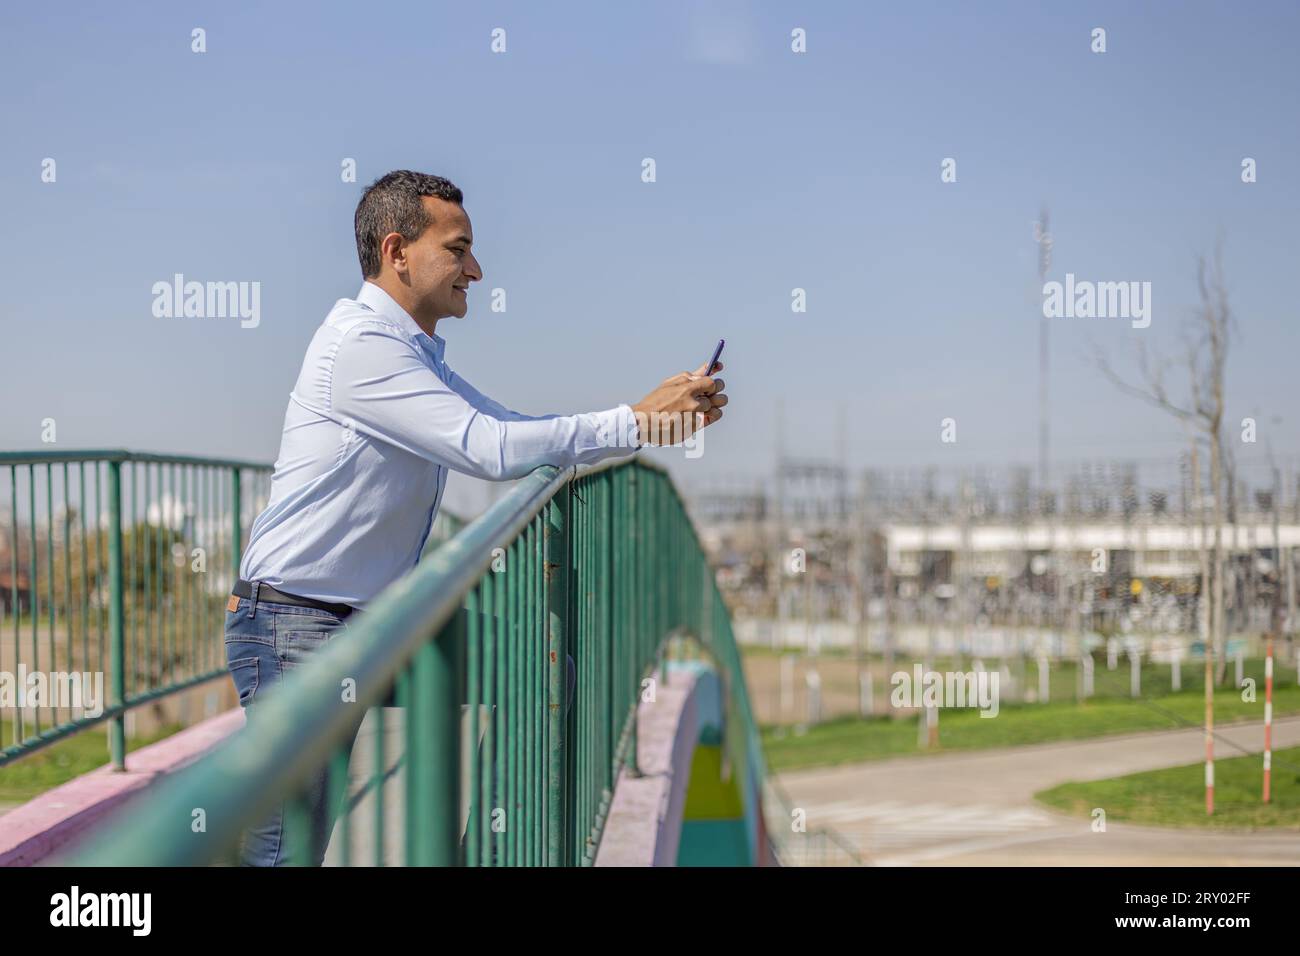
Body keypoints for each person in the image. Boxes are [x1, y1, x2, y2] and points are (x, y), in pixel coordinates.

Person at [223, 170, 728, 865]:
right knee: (286, 852)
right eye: (458, 250)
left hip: (370, 620)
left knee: (539, 665)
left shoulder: (408, 349)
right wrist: (635, 421)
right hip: (294, 625)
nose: (476, 270)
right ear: (397, 250)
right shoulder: (363, 348)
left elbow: (504, 425)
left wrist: (639, 418)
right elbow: (487, 449)